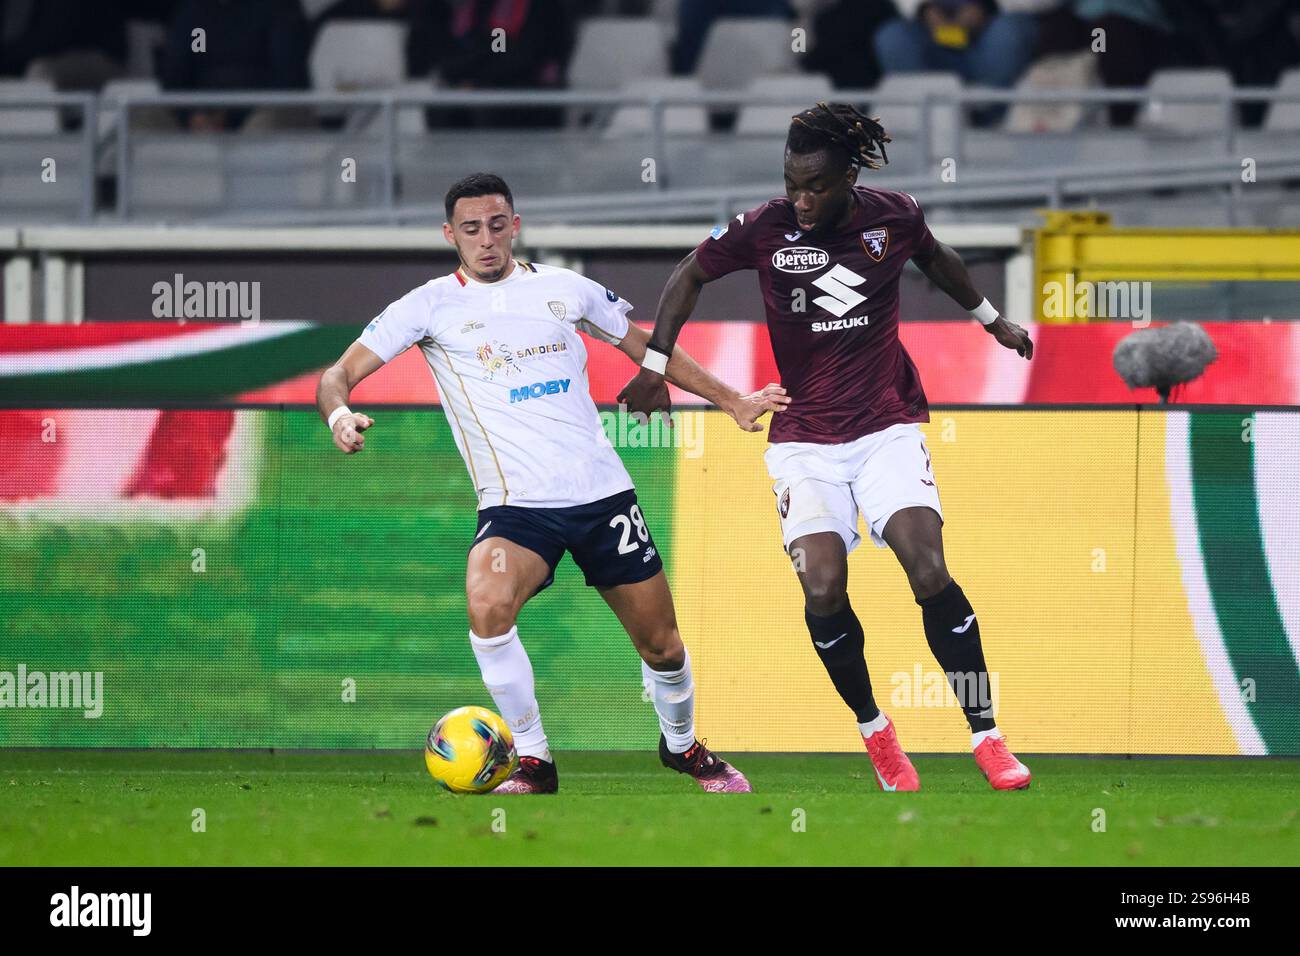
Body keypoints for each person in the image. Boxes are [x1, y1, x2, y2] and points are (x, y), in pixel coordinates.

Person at [317, 172, 789, 794]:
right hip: (517, 508)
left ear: (514, 225)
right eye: (470, 229)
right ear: (449, 235)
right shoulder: (427, 306)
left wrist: (731, 400)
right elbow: (337, 374)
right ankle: (535, 761)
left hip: (601, 496)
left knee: (663, 648)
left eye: (496, 225)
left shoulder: (568, 290)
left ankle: (682, 747)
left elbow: (649, 349)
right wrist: (339, 414)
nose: (485, 240)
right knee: (487, 604)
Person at [619, 103, 1035, 792]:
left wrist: (993, 321)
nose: (801, 200)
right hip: (804, 440)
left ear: (850, 177)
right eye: (791, 183)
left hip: (885, 427)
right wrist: (655, 368)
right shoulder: (764, 229)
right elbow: (689, 273)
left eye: (815, 185)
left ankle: (986, 737)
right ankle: (877, 732)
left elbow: (940, 260)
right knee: (822, 584)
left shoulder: (893, 215)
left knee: (927, 567)